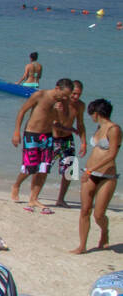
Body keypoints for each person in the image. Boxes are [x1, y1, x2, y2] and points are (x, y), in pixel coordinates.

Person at [11, 78, 74, 211]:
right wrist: (16, 132)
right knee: (30, 167)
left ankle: (34, 198)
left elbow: (65, 118)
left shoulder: (62, 102)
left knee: (44, 169)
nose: (65, 97)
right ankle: (16, 185)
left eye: (67, 96)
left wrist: (60, 110)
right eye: (63, 94)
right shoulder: (40, 95)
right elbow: (22, 111)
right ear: (57, 88)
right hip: (32, 133)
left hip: (48, 136)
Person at [72, 99, 121, 254]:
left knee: (99, 214)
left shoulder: (114, 129)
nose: (91, 117)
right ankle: (82, 246)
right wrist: (89, 170)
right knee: (85, 210)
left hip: (106, 175)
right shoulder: (99, 128)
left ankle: (104, 232)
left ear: (97, 113)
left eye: (92, 114)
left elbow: (112, 154)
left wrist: (91, 169)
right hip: (90, 172)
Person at [54, 80, 86, 208]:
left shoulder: (80, 106)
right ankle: (21, 188)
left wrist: (83, 143)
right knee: (42, 168)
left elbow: (80, 124)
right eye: (74, 94)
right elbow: (53, 122)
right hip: (53, 138)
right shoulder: (60, 102)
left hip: (67, 139)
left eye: (79, 94)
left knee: (70, 171)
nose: (76, 97)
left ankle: (60, 199)